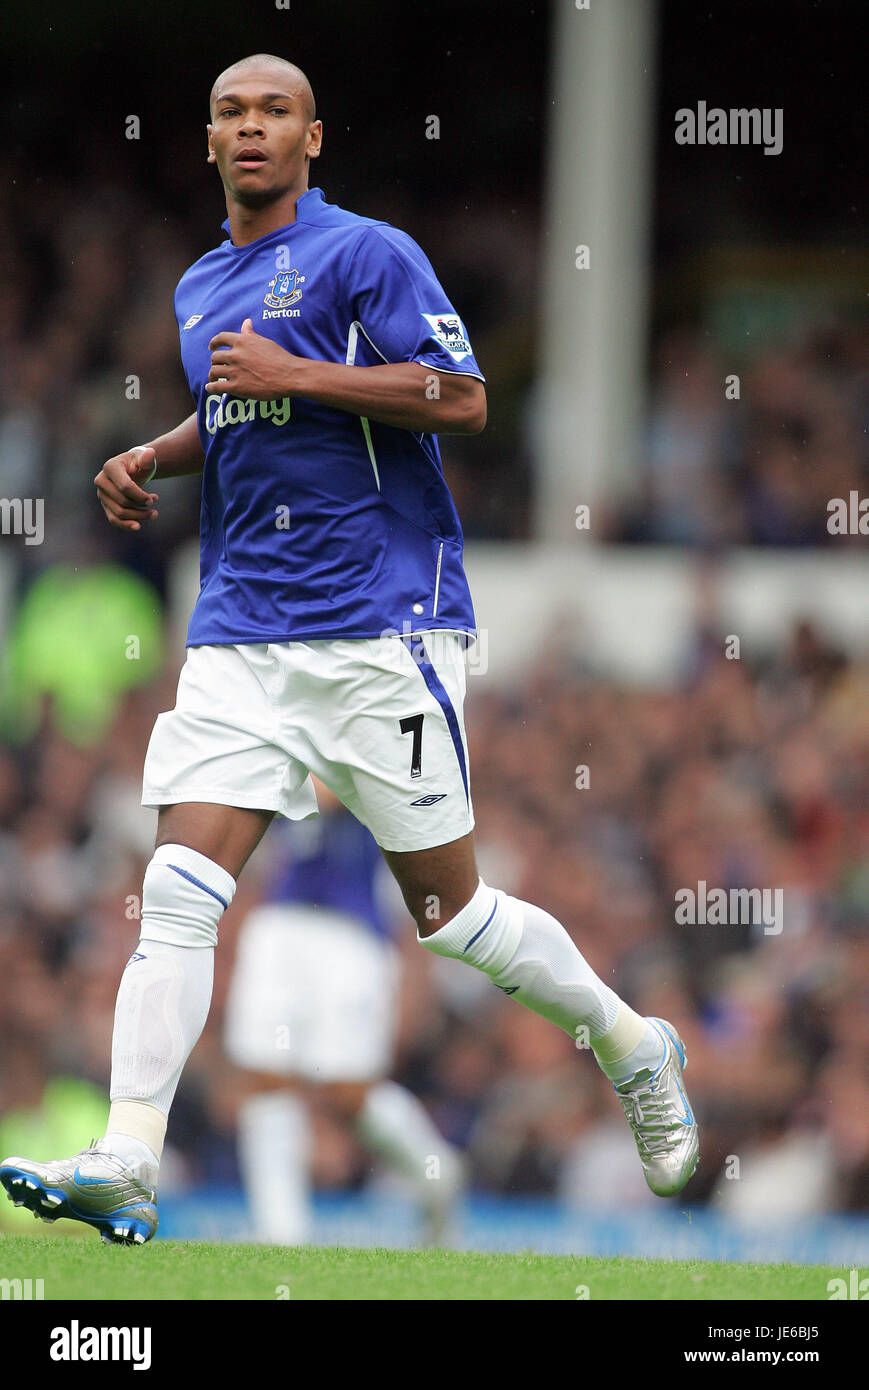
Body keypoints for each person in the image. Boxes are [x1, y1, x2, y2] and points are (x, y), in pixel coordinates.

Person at [1, 52, 698, 1244]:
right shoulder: (199, 285)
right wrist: (151, 458)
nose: (252, 128)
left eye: (275, 111)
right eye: (231, 112)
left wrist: (297, 373)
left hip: (381, 621)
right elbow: (234, 406)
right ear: (209, 140)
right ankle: (129, 1154)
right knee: (175, 889)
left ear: (311, 138)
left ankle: (631, 1041)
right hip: (239, 626)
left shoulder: (366, 252)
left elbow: (462, 396)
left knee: (455, 918)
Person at [225, 778, 463, 1245]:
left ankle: (437, 1171)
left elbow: (330, 786)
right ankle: (281, 1235)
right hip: (282, 916)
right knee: (263, 1075)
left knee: (346, 1094)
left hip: (351, 927)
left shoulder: (367, 717)